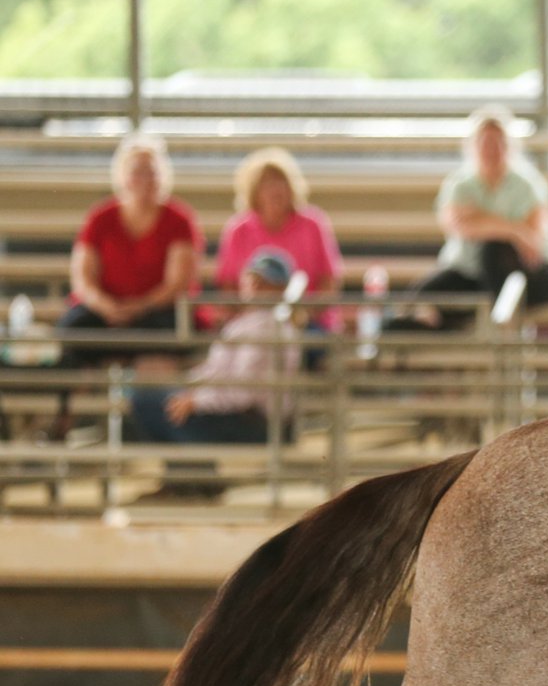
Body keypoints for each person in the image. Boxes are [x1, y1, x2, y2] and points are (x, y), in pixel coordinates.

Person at [127, 247, 301, 502]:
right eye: (254, 279)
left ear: (281, 289)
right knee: (155, 400)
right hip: (247, 415)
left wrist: (195, 400)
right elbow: (218, 374)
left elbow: (242, 393)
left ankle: (192, 481)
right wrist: (188, 389)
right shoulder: (254, 324)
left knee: (149, 403)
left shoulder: (264, 328)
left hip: (252, 420)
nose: (256, 286)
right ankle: (193, 480)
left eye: (266, 282)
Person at [392, 105, 548, 330]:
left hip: (530, 277)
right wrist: (513, 230)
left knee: (493, 249)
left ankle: (495, 329)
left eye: (498, 143)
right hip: (471, 275)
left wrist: (481, 220)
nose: (491, 150)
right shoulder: (460, 185)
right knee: (416, 302)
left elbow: (533, 248)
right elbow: (456, 225)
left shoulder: (529, 186)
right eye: (485, 142)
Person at [60, 132, 201, 355]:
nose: (145, 180)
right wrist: (107, 306)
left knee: (163, 332)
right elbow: (83, 278)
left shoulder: (180, 220)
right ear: (123, 176)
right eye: (137, 172)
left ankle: (151, 387)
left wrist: (139, 307)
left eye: (151, 172)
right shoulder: (100, 218)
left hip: (158, 311)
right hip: (105, 309)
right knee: (74, 328)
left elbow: (177, 284)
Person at [214, 148, 343, 330]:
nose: (275, 189)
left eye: (280, 182)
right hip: (252, 323)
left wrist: (303, 314)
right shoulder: (238, 230)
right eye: (266, 183)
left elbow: (329, 283)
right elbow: (228, 288)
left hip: (307, 323)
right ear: (254, 191)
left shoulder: (313, 225)